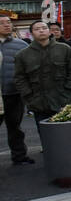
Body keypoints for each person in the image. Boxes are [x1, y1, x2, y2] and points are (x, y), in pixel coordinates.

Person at [13, 21, 71, 130]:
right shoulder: (22, 55)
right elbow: (20, 78)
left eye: (44, 28)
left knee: (69, 132)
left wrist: (68, 88)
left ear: (49, 31)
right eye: (37, 29)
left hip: (63, 99)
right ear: (32, 33)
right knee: (45, 134)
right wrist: (29, 96)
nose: (41, 31)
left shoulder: (64, 49)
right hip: (39, 102)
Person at [1, 16, 34, 165]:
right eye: (2, 23)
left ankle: (19, 156)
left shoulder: (21, 45)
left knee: (15, 127)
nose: (6, 25)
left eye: (8, 22)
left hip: (14, 92)